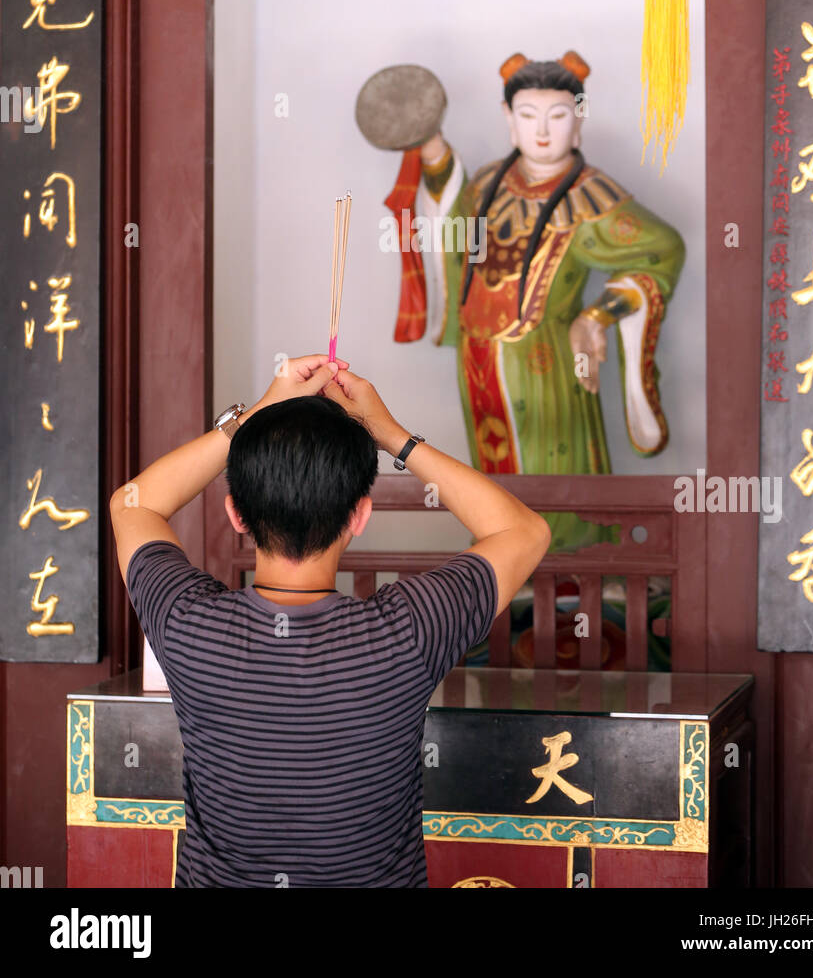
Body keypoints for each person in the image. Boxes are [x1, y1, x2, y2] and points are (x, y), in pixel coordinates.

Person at [112, 353, 550, 889]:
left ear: (236, 515)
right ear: (360, 516)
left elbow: (132, 506)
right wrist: (392, 435)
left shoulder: (188, 626)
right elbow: (524, 533)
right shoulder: (407, 635)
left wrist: (253, 415)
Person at [413, 53, 686, 551]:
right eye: (527, 115)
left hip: (549, 362)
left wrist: (598, 315)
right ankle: (502, 573)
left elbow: (659, 250)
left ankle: (567, 580)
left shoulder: (591, 196)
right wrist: (433, 154)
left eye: (558, 116)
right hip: (479, 361)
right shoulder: (487, 186)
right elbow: (453, 232)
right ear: (508, 119)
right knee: (491, 479)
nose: (542, 131)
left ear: (578, 122)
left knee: (554, 473)